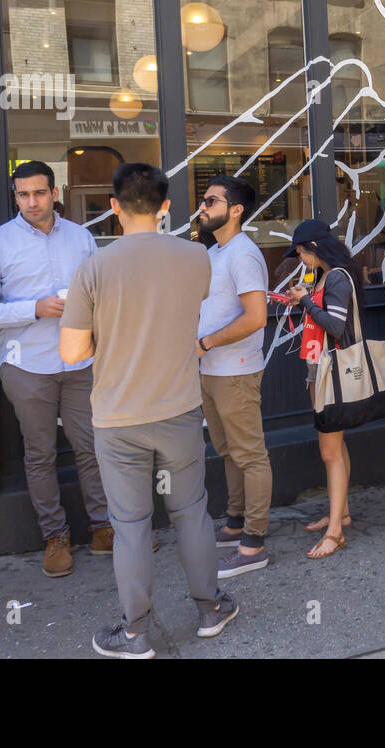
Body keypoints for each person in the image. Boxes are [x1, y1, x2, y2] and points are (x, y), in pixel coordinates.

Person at [60, 163, 236, 659]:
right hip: (179, 408)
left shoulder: (93, 267)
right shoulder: (196, 257)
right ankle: (209, 609)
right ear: (166, 207)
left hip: (117, 416)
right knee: (191, 513)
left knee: (130, 525)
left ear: (113, 207)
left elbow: (72, 353)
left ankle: (135, 632)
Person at [0, 160, 109, 578]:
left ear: (55, 192)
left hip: (81, 359)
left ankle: (103, 530)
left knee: (93, 447)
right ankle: (55, 537)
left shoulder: (81, 238)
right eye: (23, 194)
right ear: (15, 196)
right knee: (40, 454)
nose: (31, 201)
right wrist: (35, 309)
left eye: (39, 193)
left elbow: (97, 292)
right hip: (26, 364)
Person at [193, 176, 272, 580]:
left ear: (235, 209)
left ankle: (253, 543)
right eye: (202, 201)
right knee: (228, 451)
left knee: (250, 455)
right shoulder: (218, 251)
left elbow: (256, 318)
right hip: (213, 370)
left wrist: (205, 342)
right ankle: (236, 522)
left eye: (210, 201)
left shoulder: (242, 253)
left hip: (235, 370)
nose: (202, 207)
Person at [284, 218, 366, 559]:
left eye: (302, 253)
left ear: (314, 248)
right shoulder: (332, 275)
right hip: (321, 371)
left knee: (329, 453)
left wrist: (306, 302)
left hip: (330, 375)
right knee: (337, 447)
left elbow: (335, 324)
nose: (301, 260)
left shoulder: (334, 277)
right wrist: (301, 302)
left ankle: (336, 532)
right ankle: (340, 513)